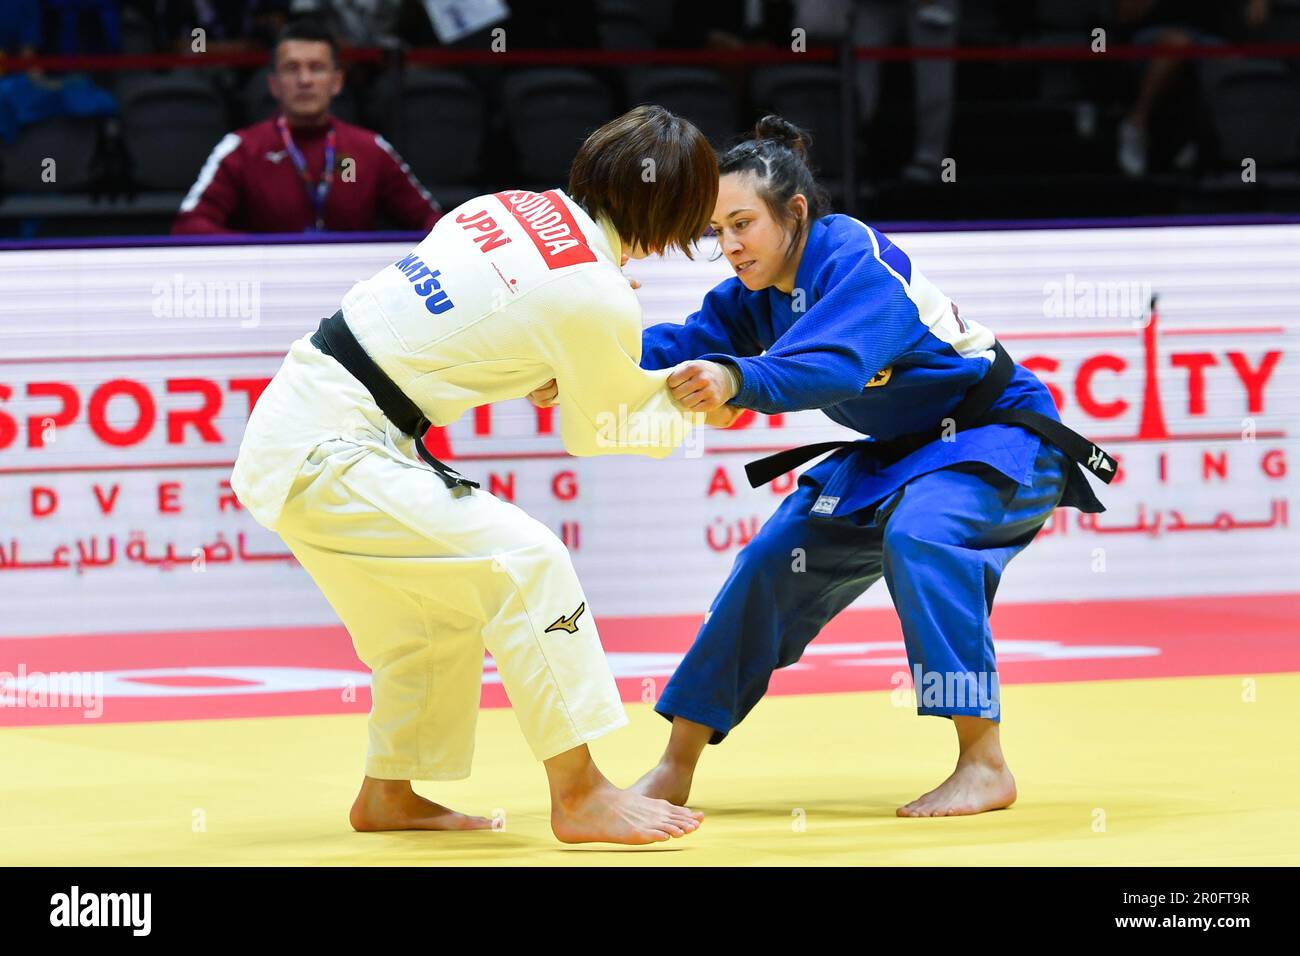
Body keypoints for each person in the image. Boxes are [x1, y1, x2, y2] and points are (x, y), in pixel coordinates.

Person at [230, 105, 728, 845]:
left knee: (428, 623)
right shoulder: (596, 292)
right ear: (676, 216)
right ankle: (581, 793)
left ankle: (389, 794)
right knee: (527, 560)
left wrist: (553, 368)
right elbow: (597, 432)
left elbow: (478, 334)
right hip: (335, 447)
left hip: (303, 423)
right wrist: (702, 406)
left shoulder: (504, 207)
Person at [601, 116, 1113, 818]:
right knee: (770, 562)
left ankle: (983, 764)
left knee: (923, 536)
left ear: (796, 211)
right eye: (716, 232)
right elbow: (683, 341)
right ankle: (674, 764)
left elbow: (829, 369)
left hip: (994, 441)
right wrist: (588, 364)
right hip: (888, 458)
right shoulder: (756, 295)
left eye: (742, 224)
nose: (728, 246)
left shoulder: (855, 259)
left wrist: (733, 379)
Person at [173, 19, 440, 235]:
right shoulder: (242, 149)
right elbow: (189, 227)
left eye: (316, 68)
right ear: (274, 84)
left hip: (354, 292)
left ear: (337, 82)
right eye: (292, 68)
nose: (304, 80)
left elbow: (434, 223)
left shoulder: (369, 149)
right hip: (269, 291)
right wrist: (263, 252)